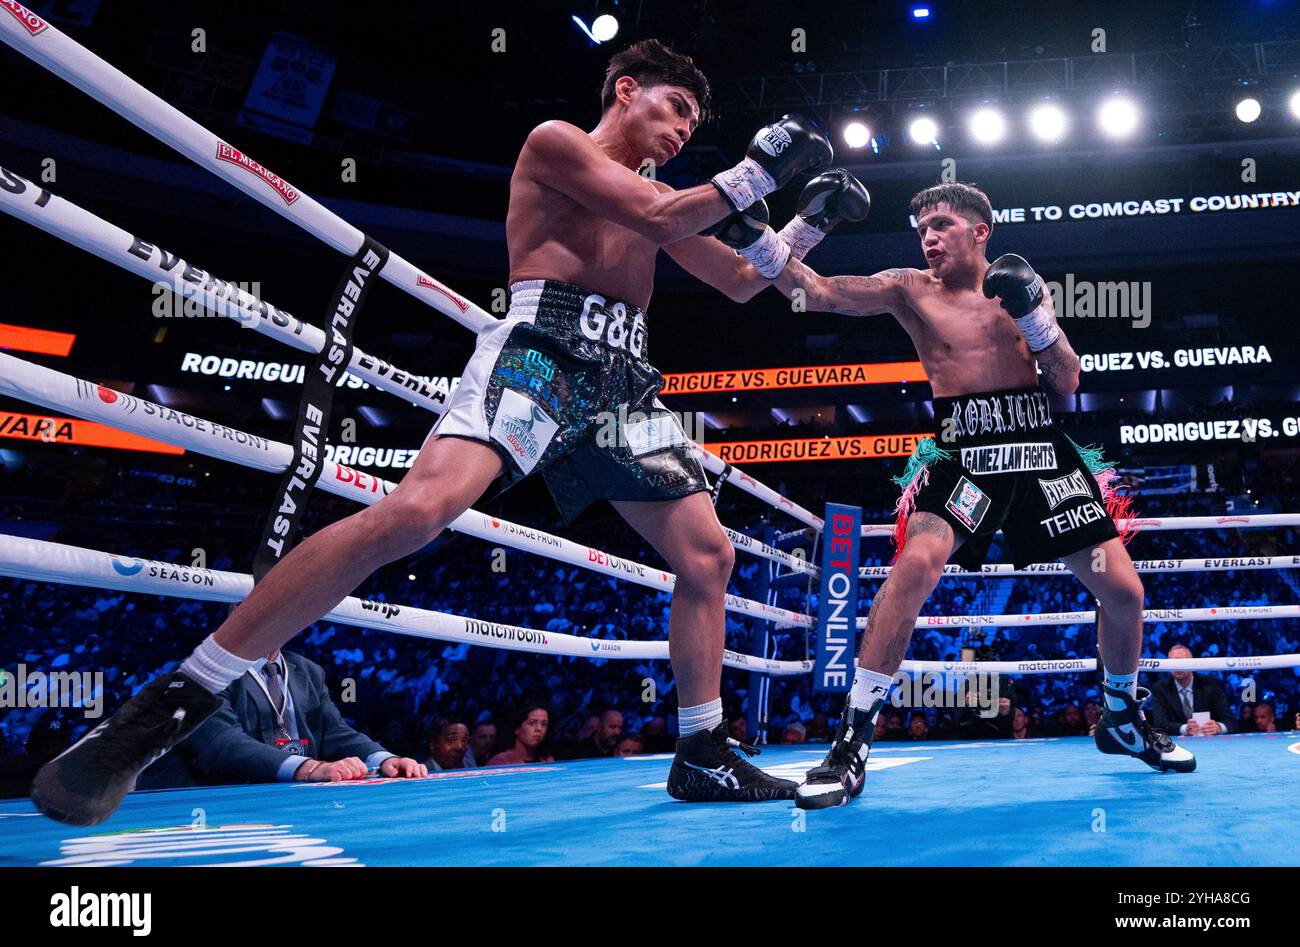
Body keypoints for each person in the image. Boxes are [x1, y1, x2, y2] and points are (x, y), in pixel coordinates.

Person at [33, 39, 835, 824]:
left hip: (621, 374)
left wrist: (807, 224)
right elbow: (659, 214)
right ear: (627, 89)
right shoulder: (558, 143)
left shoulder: (664, 196)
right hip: (543, 353)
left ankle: (701, 752)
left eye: (694, 120)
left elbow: (739, 282)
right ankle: (179, 698)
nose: (685, 127)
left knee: (708, 555)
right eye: (677, 106)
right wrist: (757, 172)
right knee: (418, 511)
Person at [765, 180, 1195, 810]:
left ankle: (1122, 718)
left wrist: (1035, 317)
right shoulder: (908, 288)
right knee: (915, 565)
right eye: (921, 230)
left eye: (940, 225)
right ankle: (851, 741)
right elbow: (814, 292)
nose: (928, 238)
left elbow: (1067, 378)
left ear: (979, 231)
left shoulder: (1023, 285)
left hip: (1040, 452)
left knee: (1124, 593)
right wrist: (794, 228)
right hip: (964, 454)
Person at [178, 649, 426, 785]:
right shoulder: (205, 668)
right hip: (231, 802)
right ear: (236, 609)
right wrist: (308, 768)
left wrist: (384, 759)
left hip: (302, 798)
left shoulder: (308, 670)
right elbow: (221, 743)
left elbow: (335, 732)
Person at [1149, 645, 1235, 737]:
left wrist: (1219, 727)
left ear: (1192, 663)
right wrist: (1185, 729)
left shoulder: (1211, 685)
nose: (1177, 667)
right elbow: (1160, 724)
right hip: (1176, 743)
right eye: (1173, 662)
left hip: (1210, 742)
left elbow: (1231, 722)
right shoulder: (1161, 689)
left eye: (1182, 662)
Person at [487, 702, 555, 765]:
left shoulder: (548, 761)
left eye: (544, 724)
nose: (539, 729)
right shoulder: (500, 762)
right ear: (517, 728)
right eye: (532, 723)